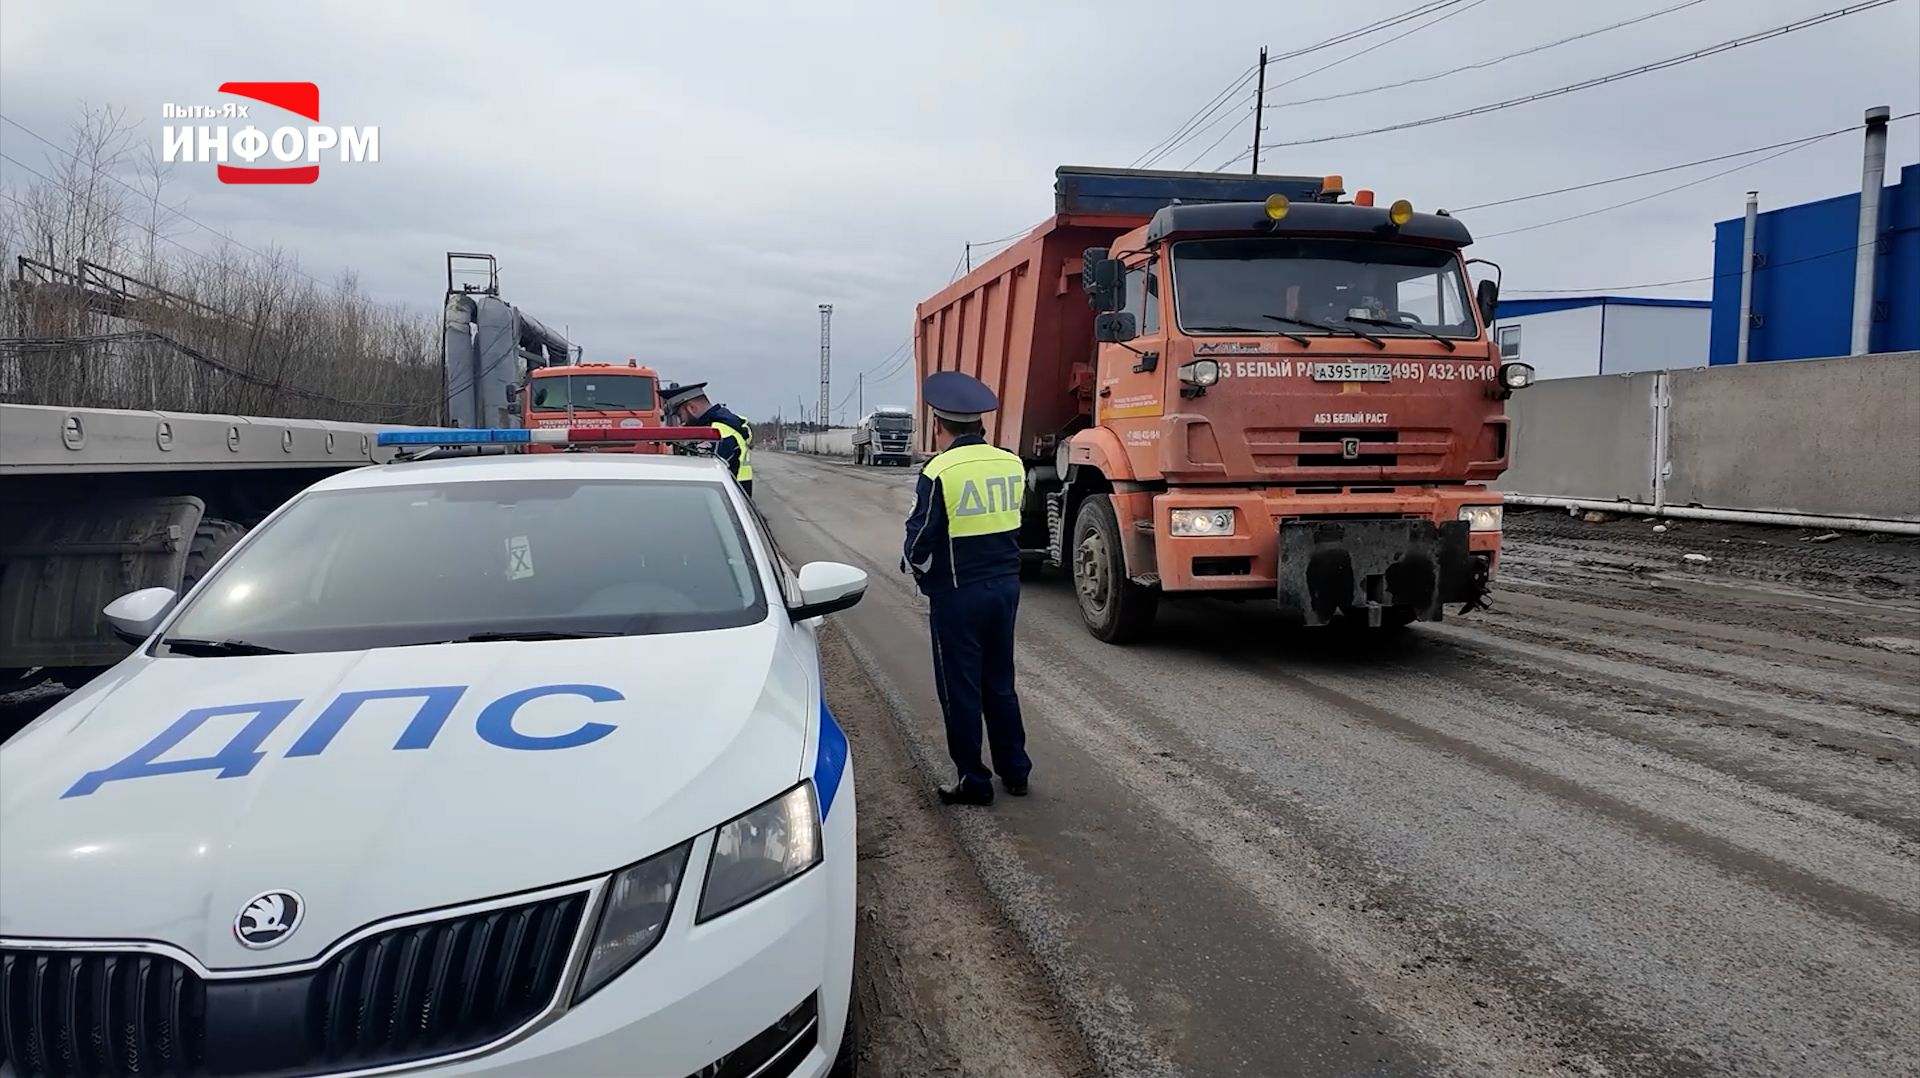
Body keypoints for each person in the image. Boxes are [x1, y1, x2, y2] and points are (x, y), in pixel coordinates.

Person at [903, 371, 1032, 805]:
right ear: (981, 426)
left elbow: (922, 541)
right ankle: (1015, 770)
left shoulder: (938, 470)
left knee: (960, 688)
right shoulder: (1011, 462)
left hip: (958, 594)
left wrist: (918, 572)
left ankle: (973, 780)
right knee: (1000, 681)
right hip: (1005, 588)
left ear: (940, 426)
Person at [661, 381, 753, 497]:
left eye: (680, 415)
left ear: (692, 408)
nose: (681, 423)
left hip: (723, 503)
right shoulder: (723, 427)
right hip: (733, 500)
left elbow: (702, 479)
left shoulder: (716, 435)